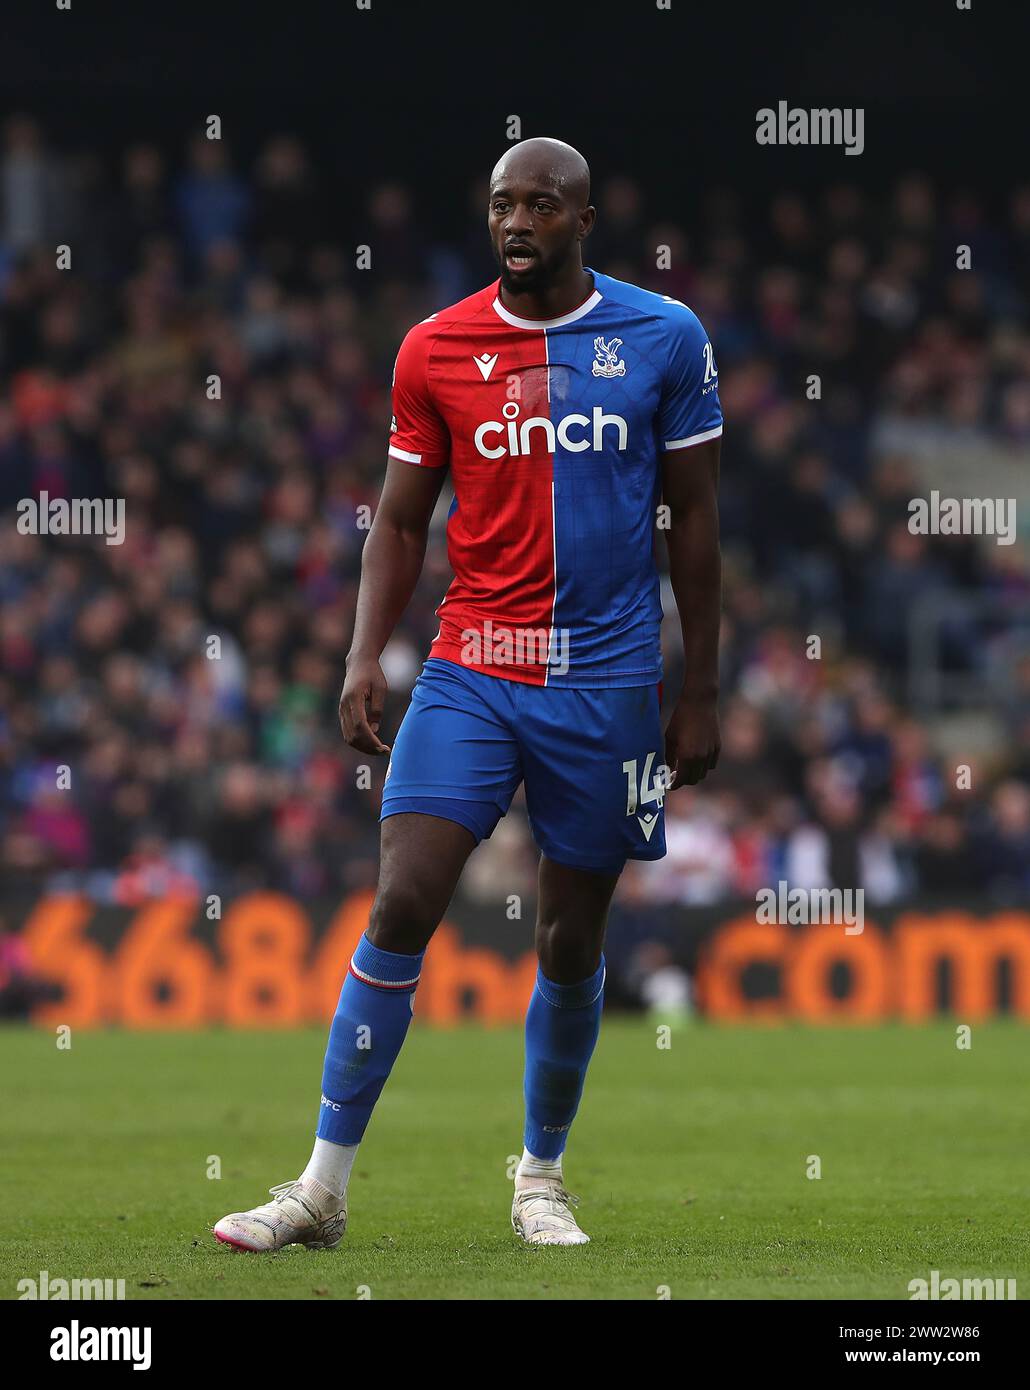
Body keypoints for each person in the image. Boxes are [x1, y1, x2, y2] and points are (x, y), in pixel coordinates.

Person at [214, 136, 722, 1251]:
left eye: (541, 204)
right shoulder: (435, 348)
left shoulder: (664, 338)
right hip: (471, 667)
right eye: (502, 204)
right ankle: (320, 1188)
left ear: (584, 218)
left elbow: (697, 528)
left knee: (570, 939)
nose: (517, 221)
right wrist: (361, 654)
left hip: (607, 681)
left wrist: (701, 690)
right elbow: (399, 521)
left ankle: (539, 1175)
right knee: (404, 898)